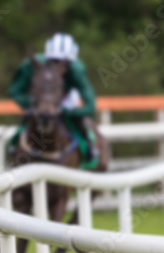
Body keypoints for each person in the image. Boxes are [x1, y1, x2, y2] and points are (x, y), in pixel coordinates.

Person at [8, 32, 99, 163]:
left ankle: (88, 149)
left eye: (64, 63)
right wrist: (30, 103)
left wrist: (71, 113)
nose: (59, 66)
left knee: (79, 121)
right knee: (28, 117)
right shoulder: (30, 66)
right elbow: (14, 91)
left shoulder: (77, 71)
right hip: (40, 99)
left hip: (66, 99)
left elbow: (90, 106)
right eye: (55, 61)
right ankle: (14, 145)